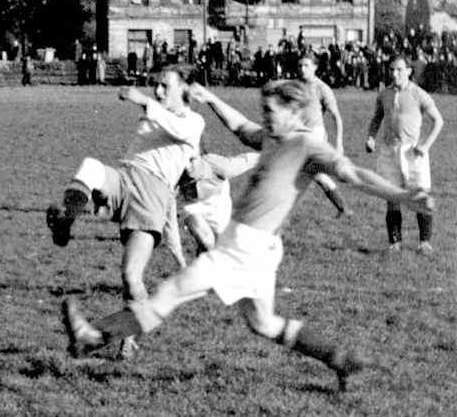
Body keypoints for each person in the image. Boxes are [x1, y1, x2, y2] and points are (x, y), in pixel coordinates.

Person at [62, 80, 432, 392]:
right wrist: (212, 99)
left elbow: (354, 174)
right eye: (265, 110)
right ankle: (339, 358)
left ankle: (92, 337)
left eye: (272, 111)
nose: (266, 117)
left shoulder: (308, 146)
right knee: (264, 324)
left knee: (170, 292)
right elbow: (240, 126)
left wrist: (401, 195)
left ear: (295, 112)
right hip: (256, 248)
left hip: (244, 248)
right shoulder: (274, 137)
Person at [48, 65, 204, 359]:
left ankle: (127, 337)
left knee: (131, 276)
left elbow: (180, 132)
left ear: (185, 89)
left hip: (152, 197)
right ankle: (66, 221)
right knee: (91, 166)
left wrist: (144, 100)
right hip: (126, 178)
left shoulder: (194, 121)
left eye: (164, 86)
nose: (157, 91)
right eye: (155, 85)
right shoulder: (154, 114)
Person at [366, 55, 444, 254]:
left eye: (399, 69)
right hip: (389, 151)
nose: (394, 73)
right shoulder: (384, 94)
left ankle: (424, 243)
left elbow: (438, 121)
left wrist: (425, 145)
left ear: (409, 71)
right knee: (392, 197)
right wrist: (371, 137)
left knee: (420, 196)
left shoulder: (419, 94)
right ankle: (395, 243)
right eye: (391, 69)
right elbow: (377, 117)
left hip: (413, 152)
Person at [296, 54, 349, 216]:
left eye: (306, 65)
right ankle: (342, 207)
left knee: (298, 170)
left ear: (315, 67)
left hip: (315, 134)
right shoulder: (296, 86)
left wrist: (339, 142)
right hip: (298, 133)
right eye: (300, 66)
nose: (302, 69)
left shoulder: (322, 88)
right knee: (315, 174)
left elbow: (336, 117)